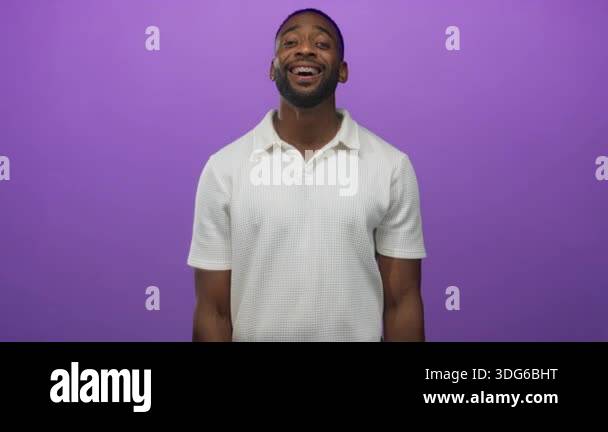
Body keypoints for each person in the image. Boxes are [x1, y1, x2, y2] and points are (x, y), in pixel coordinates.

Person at [188, 8, 427, 341]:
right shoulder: (224, 169)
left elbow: (402, 304)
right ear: (272, 68)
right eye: (290, 42)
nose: (305, 49)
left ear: (343, 71)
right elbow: (213, 311)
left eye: (322, 43)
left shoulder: (390, 167)